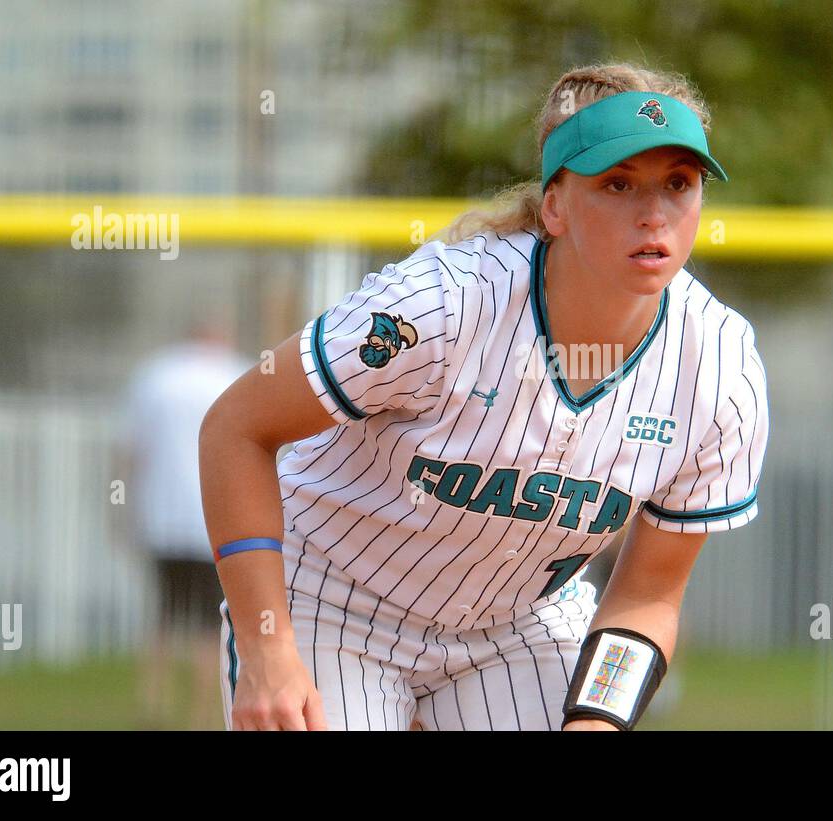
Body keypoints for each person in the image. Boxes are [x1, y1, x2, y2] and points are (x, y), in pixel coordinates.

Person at [198, 62, 769, 731]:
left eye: (679, 183)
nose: (653, 213)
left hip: (516, 623)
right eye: (618, 183)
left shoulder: (720, 367)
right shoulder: (444, 306)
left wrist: (597, 720)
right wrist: (267, 646)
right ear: (553, 205)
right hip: (332, 595)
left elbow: (648, 597)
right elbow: (236, 426)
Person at [123, 317, 253, 728]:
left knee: (162, 614)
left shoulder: (156, 375)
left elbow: (132, 450)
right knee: (208, 619)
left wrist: (125, 510)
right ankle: (202, 711)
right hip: (213, 519)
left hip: (162, 516)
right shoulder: (238, 374)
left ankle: (153, 699)